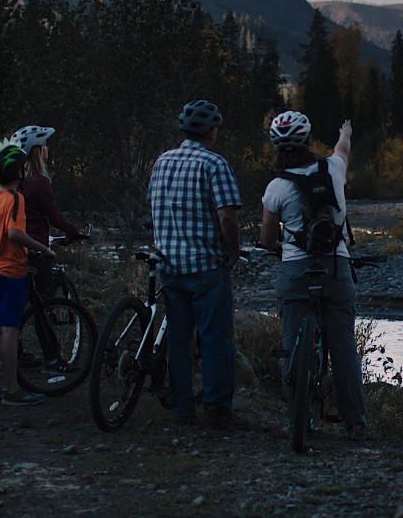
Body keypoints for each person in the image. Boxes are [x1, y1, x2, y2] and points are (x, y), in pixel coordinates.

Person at [260, 112, 369, 441]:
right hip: (336, 268)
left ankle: (298, 419)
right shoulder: (333, 169)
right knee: (345, 349)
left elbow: (266, 240)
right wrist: (345, 132)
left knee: (292, 348)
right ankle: (356, 424)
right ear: (308, 141)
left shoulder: (277, 187)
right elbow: (343, 150)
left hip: (296, 271)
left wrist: (283, 245)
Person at [147, 100, 249, 430]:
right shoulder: (214, 164)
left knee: (178, 339)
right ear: (213, 131)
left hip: (170, 266)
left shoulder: (162, 162)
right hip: (206, 266)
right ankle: (218, 410)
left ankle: (182, 410)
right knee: (215, 340)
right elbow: (226, 215)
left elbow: (154, 207)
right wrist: (233, 252)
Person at [0, 139, 58, 406]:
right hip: (10, 275)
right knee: (9, 330)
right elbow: (15, 233)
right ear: (18, 172)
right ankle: (12, 391)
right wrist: (42, 248)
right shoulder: (15, 199)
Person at [12, 125, 85, 298]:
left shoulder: (15, 180)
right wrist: (73, 231)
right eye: (45, 144)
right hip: (35, 249)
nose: (47, 148)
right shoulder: (40, 181)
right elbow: (54, 215)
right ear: (36, 150)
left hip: (14, 247)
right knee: (43, 305)